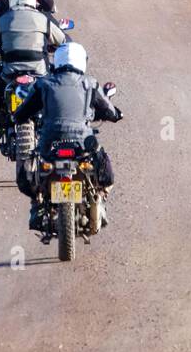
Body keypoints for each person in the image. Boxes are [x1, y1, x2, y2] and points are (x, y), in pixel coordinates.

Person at [13, 42, 123, 229]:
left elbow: (22, 113)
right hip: (82, 144)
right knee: (101, 164)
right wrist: (117, 114)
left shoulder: (43, 83)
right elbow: (109, 111)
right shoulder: (90, 83)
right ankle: (101, 196)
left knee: (33, 167)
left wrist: (20, 116)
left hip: (50, 143)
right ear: (82, 61)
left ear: (57, 61)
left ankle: (38, 204)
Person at [0, 0, 68, 146]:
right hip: (40, 74)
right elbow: (64, 42)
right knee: (58, 93)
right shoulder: (43, 19)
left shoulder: (2, 20)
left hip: (8, 75)